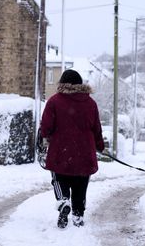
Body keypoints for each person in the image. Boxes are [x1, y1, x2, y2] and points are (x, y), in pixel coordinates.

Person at [39, 69, 104, 229]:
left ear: (62, 84)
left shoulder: (54, 101)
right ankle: (78, 216)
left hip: (60, 153)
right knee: (80, 187)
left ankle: (63, 202)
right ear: (81, 85)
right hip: (85, 155)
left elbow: (46, 128)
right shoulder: (90, 103)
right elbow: (97, 129)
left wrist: (47, 135)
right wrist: (100, 146)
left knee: (58, 181)